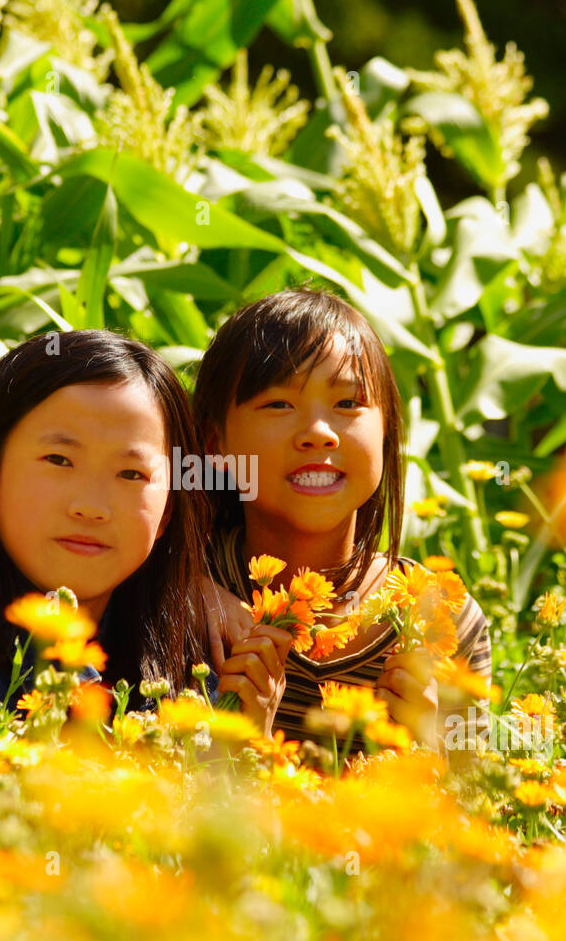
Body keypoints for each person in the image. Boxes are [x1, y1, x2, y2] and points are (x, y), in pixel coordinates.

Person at [0, 329, 222, 731]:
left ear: (168, 509)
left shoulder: (191, 668)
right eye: (59, 460)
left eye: (131, 473)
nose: (90, 507)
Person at [192, 286, 492, 752]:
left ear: (388, 430)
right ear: (216, 446)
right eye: (278, 404)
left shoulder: (443, 622)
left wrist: (425, 749)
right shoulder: (188, 601)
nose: (318, 433)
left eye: (349, 404)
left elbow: (479, 808)